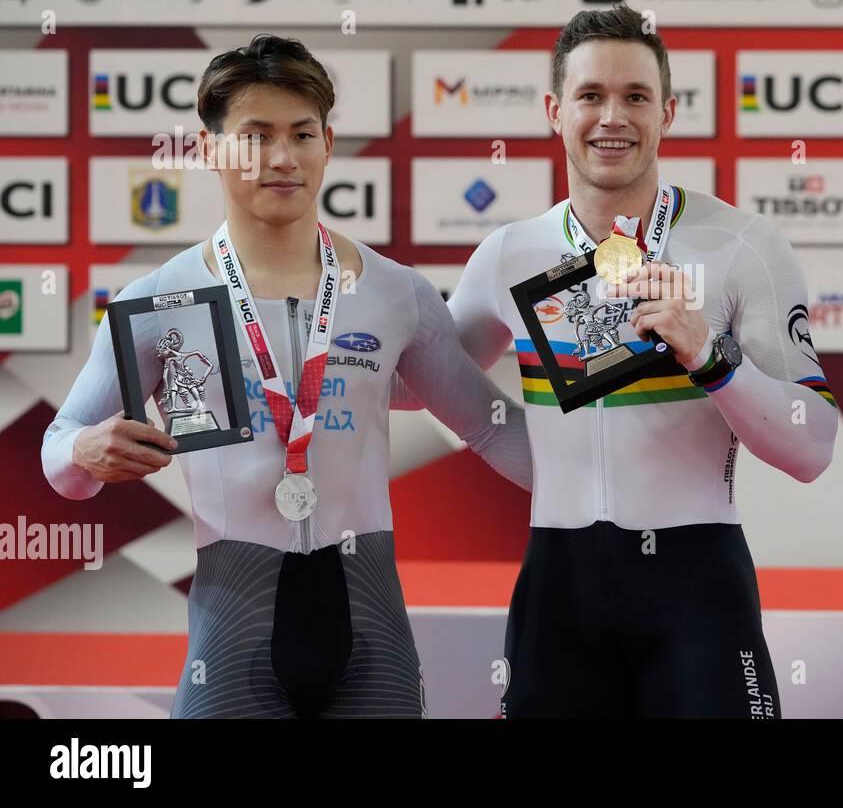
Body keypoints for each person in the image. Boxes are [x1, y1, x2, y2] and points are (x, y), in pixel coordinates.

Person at [42, 35, 532, 718]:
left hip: (371, 634)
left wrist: (608, 483)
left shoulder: (395, 292)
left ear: (328, 145)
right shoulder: (155, 302)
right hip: (232, 635)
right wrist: (85, 452)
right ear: (210, 149)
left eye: (302, 134)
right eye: (256, 135)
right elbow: (60, 456)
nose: (281, 157)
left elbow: (488, 425)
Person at [449, 4, 839, 717]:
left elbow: (812, 446)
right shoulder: (509, 255)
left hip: (698, 593)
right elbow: (428, 387)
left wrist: (710, 358)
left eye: (635, 97)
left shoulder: (741, 245)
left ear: (669, 113)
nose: (612, 117)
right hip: (557, 594)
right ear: (553, 111)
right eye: (591, 96)